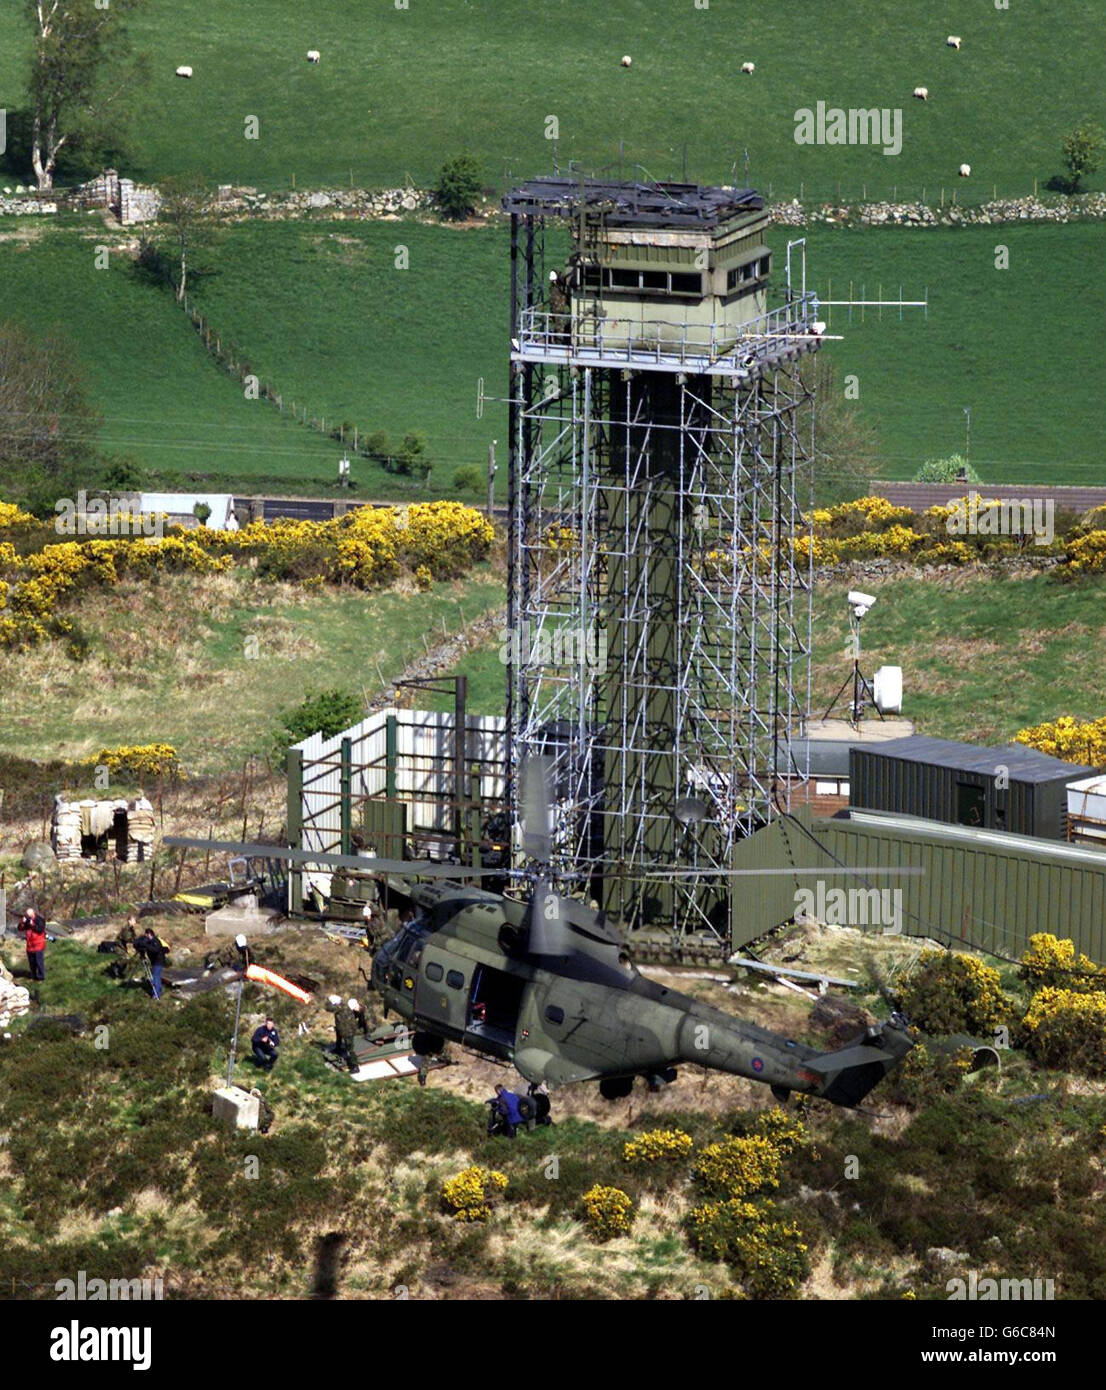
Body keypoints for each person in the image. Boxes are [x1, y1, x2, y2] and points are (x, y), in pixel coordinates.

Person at [135, 925, 168, 1000]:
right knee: (157, 976)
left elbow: (155, 950)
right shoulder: (149, 942)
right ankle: (158, 991)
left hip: (158, 961)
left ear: (149, 934)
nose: (145, 937)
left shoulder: (156, 941)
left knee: (155, 976)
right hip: (155, 962)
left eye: (146, 935)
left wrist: (146, 945)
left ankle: (156, 994)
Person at [19, 907, 47, 982]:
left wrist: (32, 925)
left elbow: (40, 930)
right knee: (32, 962)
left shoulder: (39, 919)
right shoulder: (27, 920)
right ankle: (33, 976)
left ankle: (41, 977)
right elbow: (20, 928)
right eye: (27, 915)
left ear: (33, 913)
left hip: (38, 944)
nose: (27, 916)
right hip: (30, 944)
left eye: (29, 915)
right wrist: (22, 922)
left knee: (39, 961)